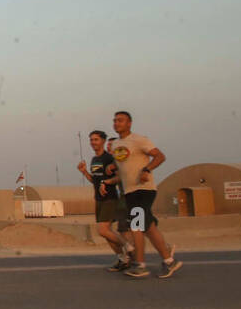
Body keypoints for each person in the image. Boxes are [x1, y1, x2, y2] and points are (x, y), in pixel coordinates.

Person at [111, 111, 182, 279]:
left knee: (136, 225)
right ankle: (169, 261)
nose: (116, 123)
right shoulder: (115, 145)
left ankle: (140, 265)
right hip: (129, 192)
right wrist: (111, 177)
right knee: (148, 227)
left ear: (129, 123)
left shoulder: (139, 140)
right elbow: (124, 170)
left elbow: (160, 156)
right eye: (114, 121)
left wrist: (147, 169)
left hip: (144, 189)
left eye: (120, 120)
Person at [77, 129, 133, 270]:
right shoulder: (94, 160)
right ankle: (122, 258)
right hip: (98, 199)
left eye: (95, 139)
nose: (93, 142)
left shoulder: (109, 158)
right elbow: (94, 181)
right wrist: (84, 172)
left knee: (102, 230)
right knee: (106, 233)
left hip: (109, 198)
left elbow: (119, 177)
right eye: (91, 140)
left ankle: (128, 246)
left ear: (102, 141)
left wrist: (107, 183)